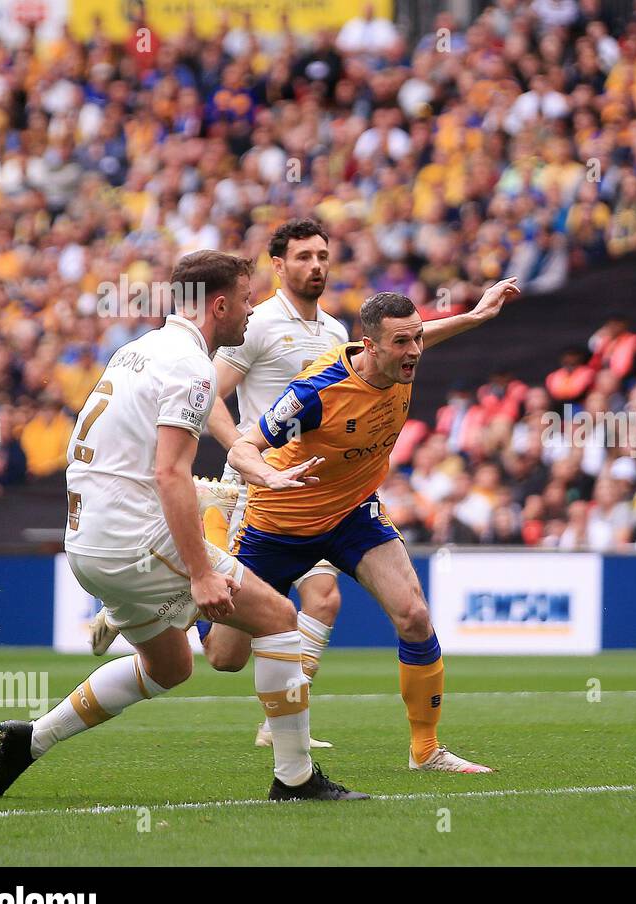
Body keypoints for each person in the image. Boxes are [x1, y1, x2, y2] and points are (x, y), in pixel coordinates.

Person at [0, 251, 364, 801]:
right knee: (281, 618)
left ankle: (32, 738)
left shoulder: (138, 350)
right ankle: (296, 778)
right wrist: (201, 574)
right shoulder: (191, 367)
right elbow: (169, 473)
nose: (252, 309)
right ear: (219, 303)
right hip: (134, 540)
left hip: (87, 540)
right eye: (246, 297)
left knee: (170, 666)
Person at [208, 280, 520, 774]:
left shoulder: (401, 359)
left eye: (418, 338)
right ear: (371, 347)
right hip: (279, 522)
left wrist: (476, 317)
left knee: (414, 615)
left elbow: (423, 336)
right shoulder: (316, 392)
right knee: (224, 657)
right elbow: (244, 446)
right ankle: (190, 572)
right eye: (403, 342)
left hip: (353, 512)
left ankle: (426, 750)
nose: (415, 350)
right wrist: (268, 475)